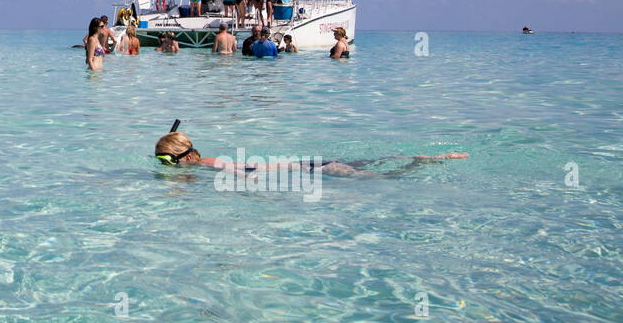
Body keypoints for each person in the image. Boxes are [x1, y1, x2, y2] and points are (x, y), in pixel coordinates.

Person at [153, 129, 468, 176]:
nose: (167, 168)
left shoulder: (209, 164)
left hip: (312, 170)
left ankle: (423, 162)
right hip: (309, 164)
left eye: (168, 161)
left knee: (383, 178)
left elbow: (247, 174)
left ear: (189, 156)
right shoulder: (203, 164)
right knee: (371, 165)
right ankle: (422, 158)